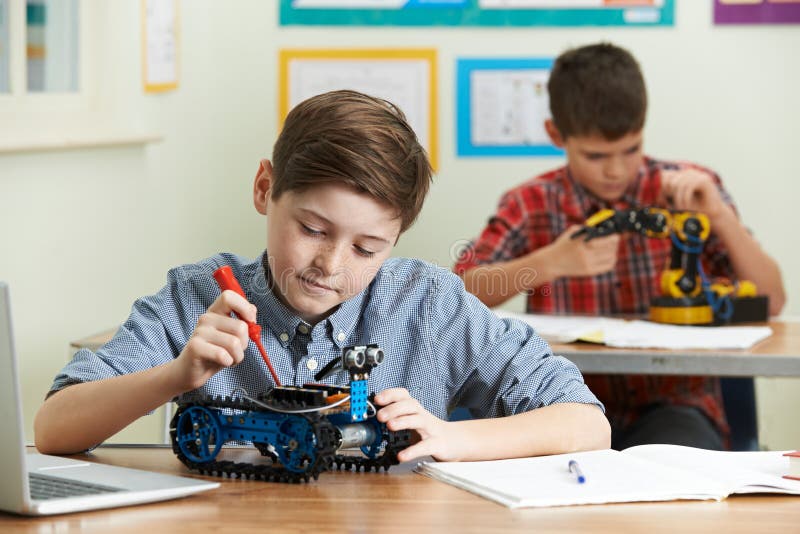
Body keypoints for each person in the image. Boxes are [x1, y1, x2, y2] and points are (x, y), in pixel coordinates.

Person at [35, 89, 610, 460]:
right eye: (312, 229)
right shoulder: (196, 299)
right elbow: (56, 427)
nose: (331, 265)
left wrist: (455, 436)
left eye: (367, 247)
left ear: (397, 239)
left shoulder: (430, 305)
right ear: (265, 189)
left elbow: (587, 425)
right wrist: (176, 375)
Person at [454, 43, 785, 451]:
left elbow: (772, 301)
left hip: (673, 405)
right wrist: (548, 263)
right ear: (556, 135)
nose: (615, 170)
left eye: (631, 149)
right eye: (595, 156)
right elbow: (457, 298)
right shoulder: (532, 203)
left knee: (676, 483)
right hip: (561, 406)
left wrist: (720, 215)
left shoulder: (693, 190)